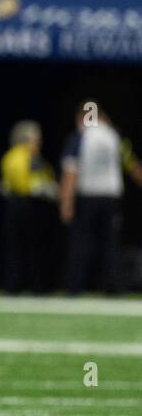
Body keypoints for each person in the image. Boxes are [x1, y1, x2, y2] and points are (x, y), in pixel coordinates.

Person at [60, 102, 142, 294]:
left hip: (88, 195)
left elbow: (71, 171)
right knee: (111, 243)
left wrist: (66, 202)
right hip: (110, 197)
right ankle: (116, 287)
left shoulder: (80, 136)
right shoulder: (114, 136)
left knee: (81, 241)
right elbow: (133, 165)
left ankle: (75, 287)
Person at [0, 120, 58, 293]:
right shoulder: (30, 157)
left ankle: (13, 285)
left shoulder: (8, 156)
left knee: (14, 248)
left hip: (11, 206)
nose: (39, 143)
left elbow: (4, 185)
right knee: (34, 248)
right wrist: (55, 191)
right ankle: (37, 285)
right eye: (36, 139)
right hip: (30, 206)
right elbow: (37, 184)